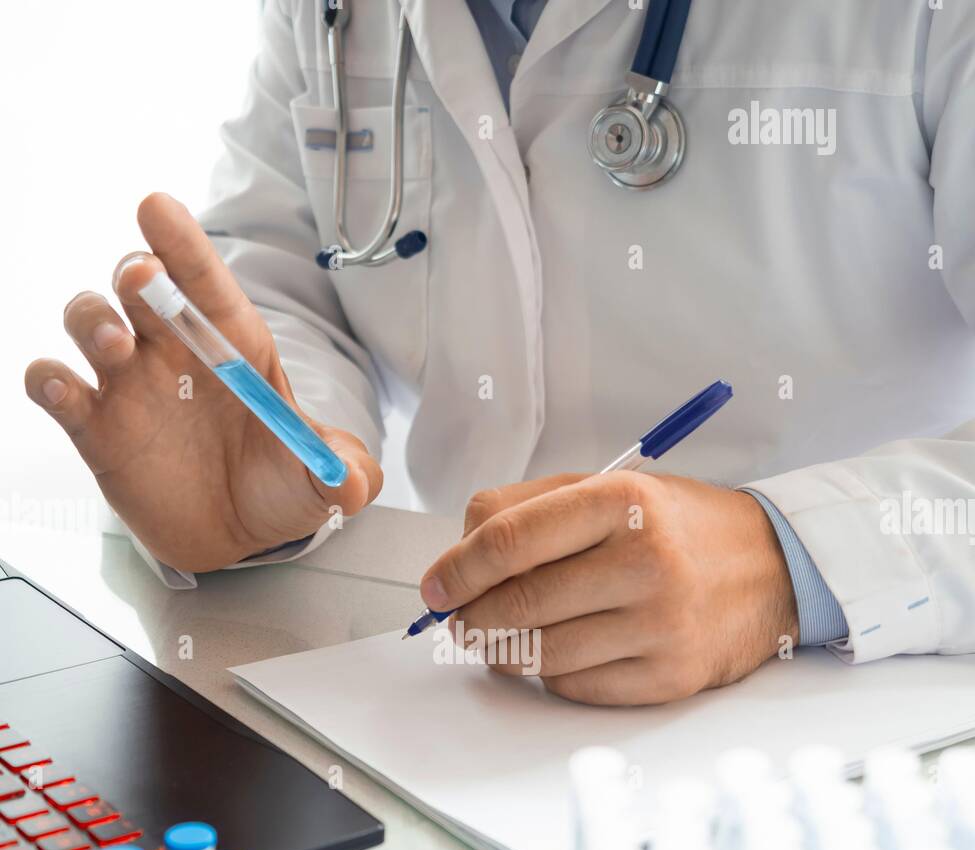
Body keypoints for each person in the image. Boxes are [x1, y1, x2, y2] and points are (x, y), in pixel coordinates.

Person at [24, 0, 975, 706]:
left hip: (855, 719)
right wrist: (284, 444)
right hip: (462, 703)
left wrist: (785, 561)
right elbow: (288, 258)